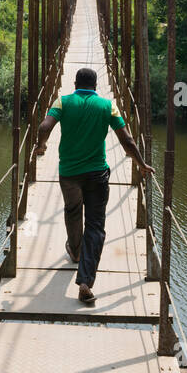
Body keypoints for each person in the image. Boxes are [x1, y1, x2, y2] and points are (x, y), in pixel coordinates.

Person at [34, 67, 154, 304]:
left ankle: (75, 250)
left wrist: (41, 146)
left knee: (72, 210)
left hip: (69, 173)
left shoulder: (62, 101)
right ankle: (86, 282)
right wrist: (141, 163)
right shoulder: (107, 105)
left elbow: (44, 127)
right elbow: (127, 139)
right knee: (96, 226)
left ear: (75, 83)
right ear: (96, 85)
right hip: (97, 174)